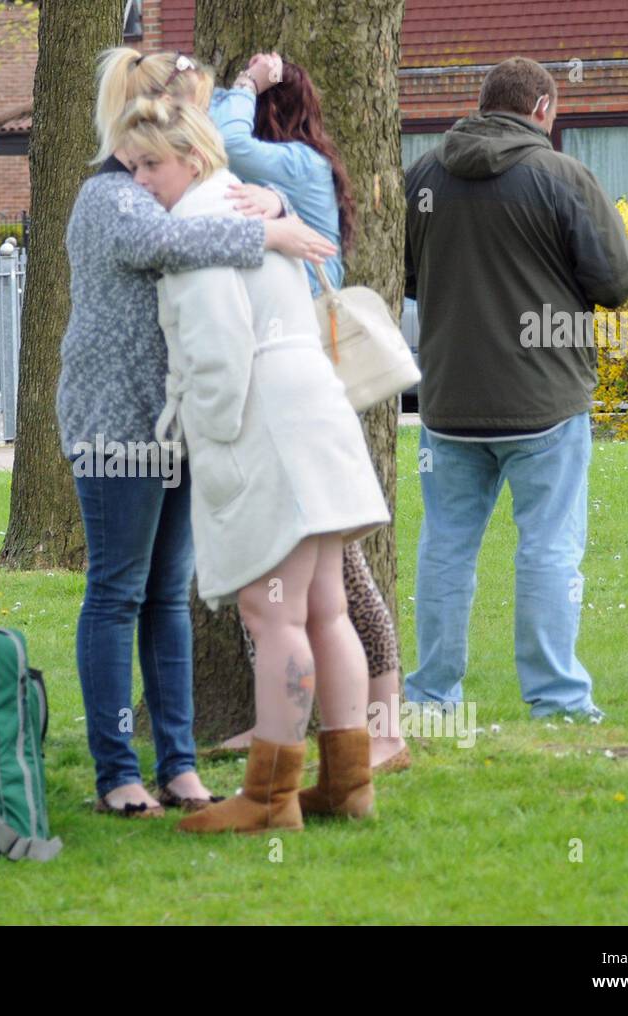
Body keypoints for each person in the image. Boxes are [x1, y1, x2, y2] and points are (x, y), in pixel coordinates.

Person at [57, 47, 339, 818]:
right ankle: (117, 770)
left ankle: (178, 765)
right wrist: (271, 234)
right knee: (118, 594)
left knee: (166, 598)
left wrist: (276, 211)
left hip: (173, 428)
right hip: (119, 426)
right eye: (183, 106)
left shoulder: (164, 186)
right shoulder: (112, 197)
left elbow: (211, 215)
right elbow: (170, 243)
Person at [118, 94, 391, 833]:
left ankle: (271, 796)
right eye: (132, 164)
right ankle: (347, 781)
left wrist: (205, 440)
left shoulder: (199, 228)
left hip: (266, 426)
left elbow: (215, 355)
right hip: (316, 410)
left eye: (151, 163)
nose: (139, 179)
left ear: (194, 155)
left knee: (271, 613)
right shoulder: (245, 209)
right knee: (326, 608)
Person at [403, 57, 628, 719]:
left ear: (485, 104)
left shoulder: (423, 176)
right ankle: (558, 700)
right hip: (545, 401)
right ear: (541, 109)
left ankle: (429, 698)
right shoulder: (563, 176)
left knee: (445, 546)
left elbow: (407, 272)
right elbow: (615, 282)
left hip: (449, 403)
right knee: (549, 547)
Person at [209, 52, 408, 770]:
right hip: (287, 398)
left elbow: (224, 142)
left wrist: (242, 86)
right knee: (285, 577)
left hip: (305, 398)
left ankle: (384, 733)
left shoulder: (290, 164)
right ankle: (286, 725)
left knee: (340, 579)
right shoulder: (273, 182)